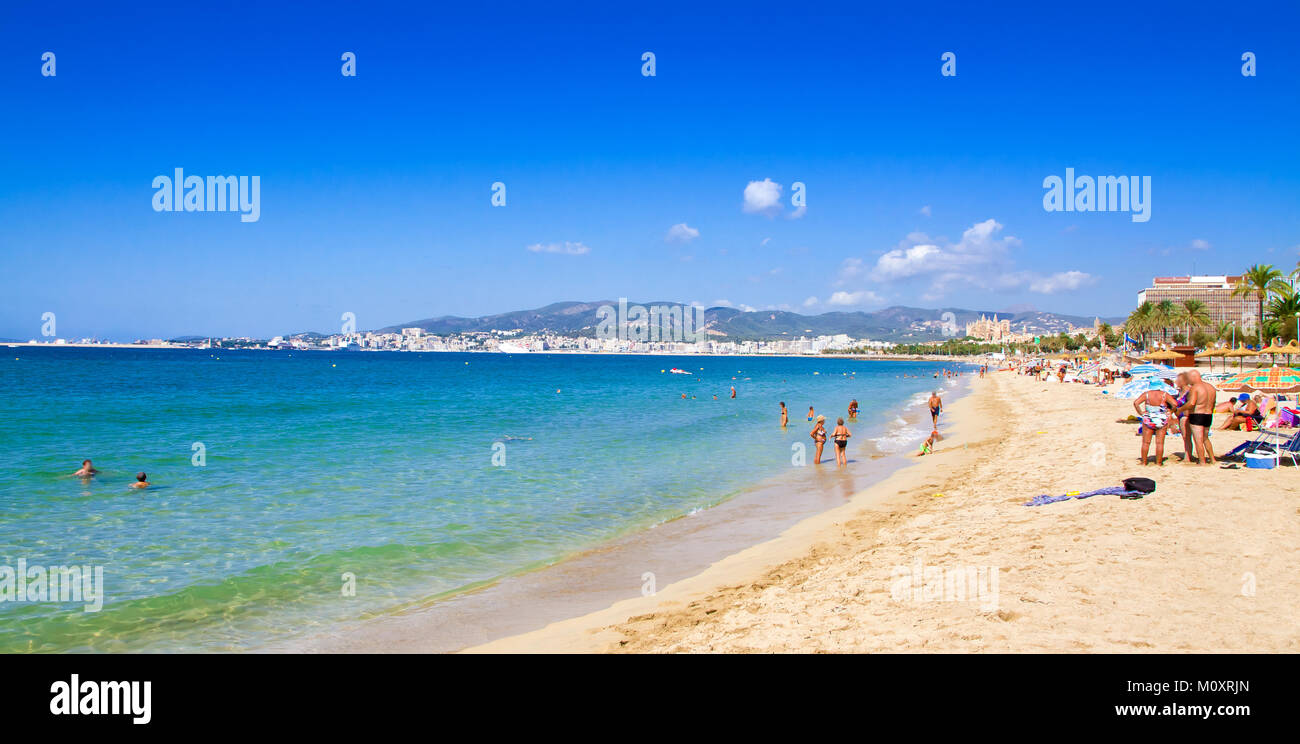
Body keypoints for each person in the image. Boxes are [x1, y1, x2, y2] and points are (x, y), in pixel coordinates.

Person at [1176, 370, 1217, 465]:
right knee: (1205, 438)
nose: (1188, 380)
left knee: (1198, 439)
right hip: (1208, 414)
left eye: (1189, 378)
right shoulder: (1211, 387)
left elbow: (1191, 403)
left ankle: (1202, 461)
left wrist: (1180, 409)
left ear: (1194, 377)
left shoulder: (1195, 387)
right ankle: (1212, 459)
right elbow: (1213, 403)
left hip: (1197, 414)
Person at [1133, 380, 1178, 465]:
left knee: (1146, 442)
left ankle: (1144, 462)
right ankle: (1159, 462)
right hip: (1161, 418)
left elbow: (1136, 403)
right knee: (1160, 443)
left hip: (1149, 418)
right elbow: (1175, 404)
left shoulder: (1146, 394)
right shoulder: (1164, 394)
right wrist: (1170, 412)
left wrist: (1141, 412)